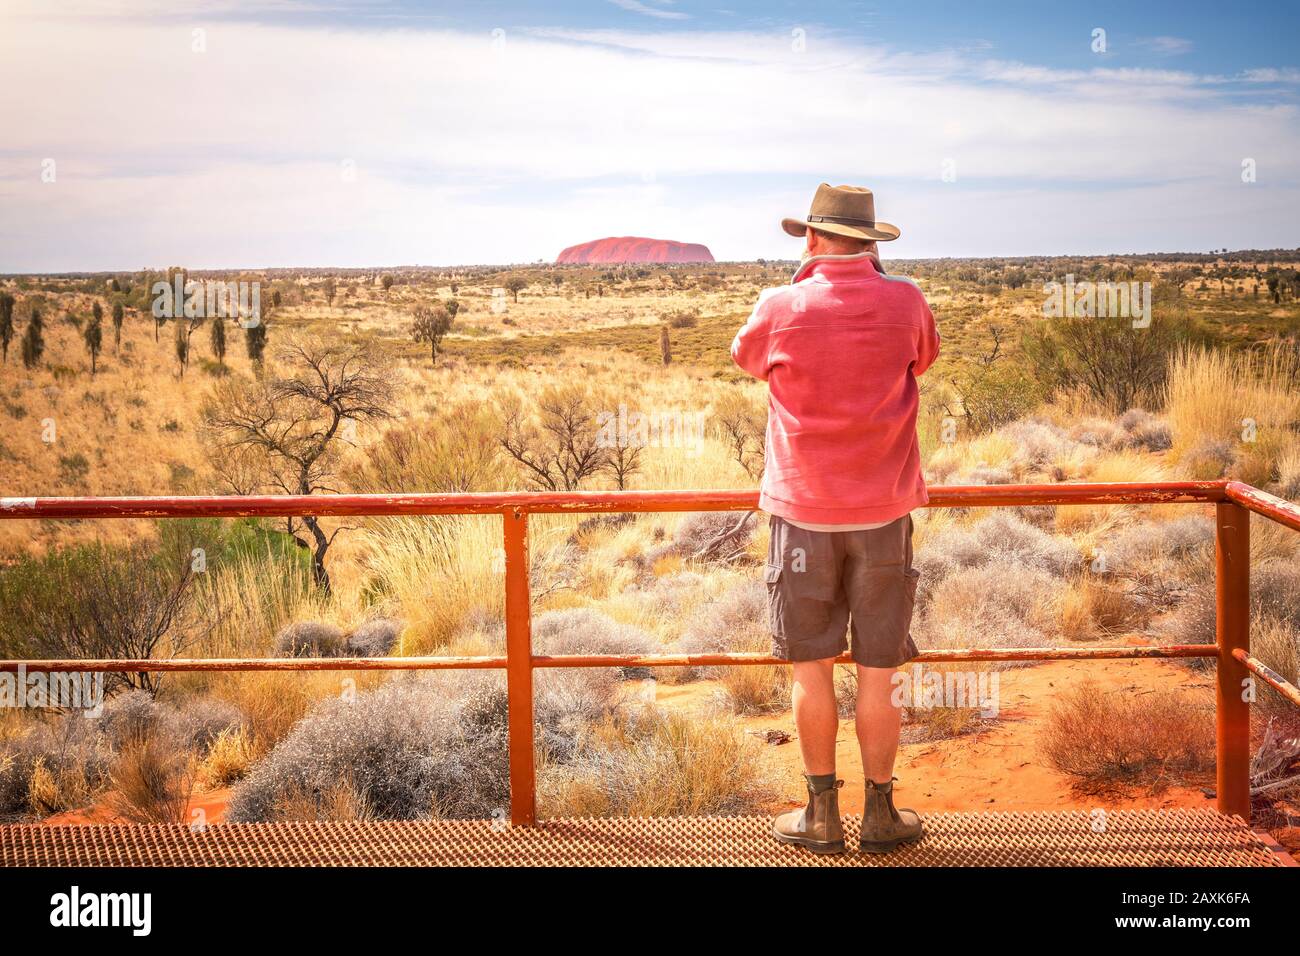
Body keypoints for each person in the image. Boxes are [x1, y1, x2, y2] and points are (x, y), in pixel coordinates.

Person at [730, 183, 941, 854]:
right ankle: (881, 816)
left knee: (810, 670)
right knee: (878, 675)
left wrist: (801, 284)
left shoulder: (781, 304)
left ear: (811, 237)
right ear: (872, 244)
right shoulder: (905, 299)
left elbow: (747, 359)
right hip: (884, 516)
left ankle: (820, 817)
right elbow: (924, 359)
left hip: (801, 518)